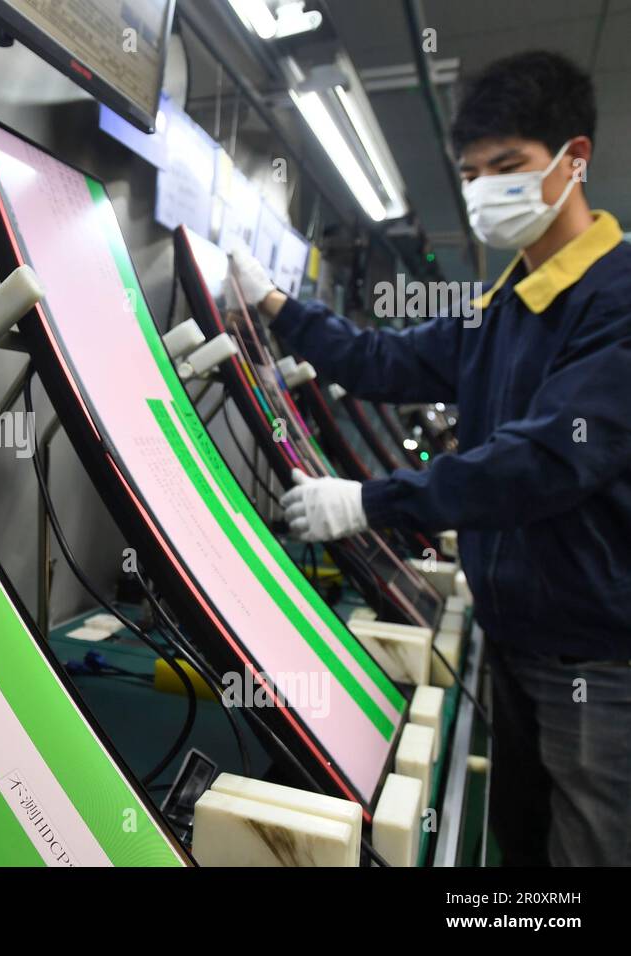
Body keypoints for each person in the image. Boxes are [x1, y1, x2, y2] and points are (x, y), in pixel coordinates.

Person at [228, 50, 631, 866]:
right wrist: (278, 308)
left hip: (597, 656)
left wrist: (371, 503)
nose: (487, 190)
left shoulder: (615, 297)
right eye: (473, 172)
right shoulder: (508, 300)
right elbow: (388, 362)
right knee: (519, 840)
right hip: (514, 631)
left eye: (509, 167)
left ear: (573, 159)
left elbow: (548, 459)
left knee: (590, 849)